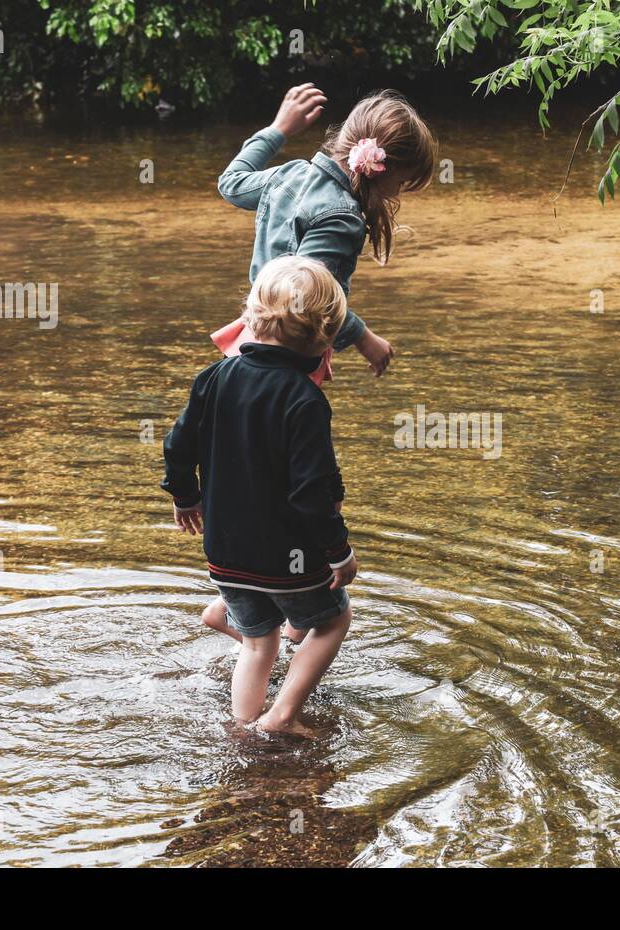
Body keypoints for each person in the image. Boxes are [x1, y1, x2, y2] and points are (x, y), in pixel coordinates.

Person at [162, 256, 357, 735]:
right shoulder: (304, 400)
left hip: (226, 551)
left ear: (249, 316)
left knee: (258, 643)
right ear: (325, 338)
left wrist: (186, 497)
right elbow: (311, 491)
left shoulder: (213, 378)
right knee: (332, 620)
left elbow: (177, 444)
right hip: (285, 554)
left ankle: (244, 724)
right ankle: (281, 716)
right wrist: (338, 553)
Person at [213, 83, 436, 383]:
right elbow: (308, 298)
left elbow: (231, 182)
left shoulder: (290, 175)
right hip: (287, 358)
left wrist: (277, 129)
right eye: (403, 183)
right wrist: (364, 337)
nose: (398, 193)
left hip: (251, 343)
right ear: (383, 168)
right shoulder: (341, 217)